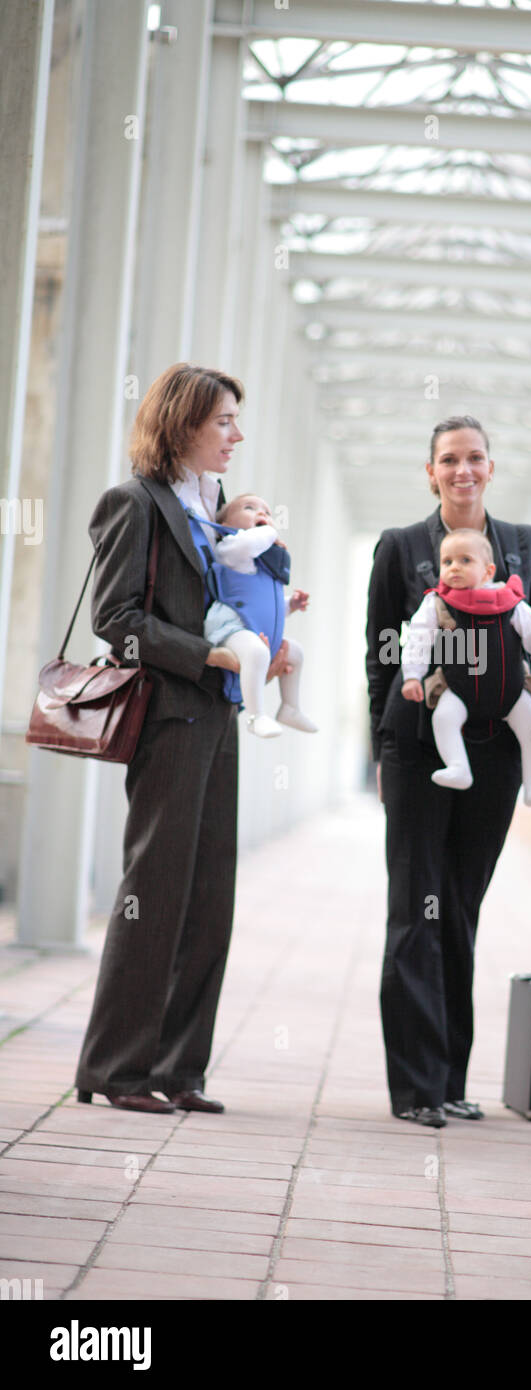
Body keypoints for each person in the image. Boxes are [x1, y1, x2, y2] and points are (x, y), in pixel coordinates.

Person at [74, 364, 289, 1115]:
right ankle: (117, 1068)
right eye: (224, 420)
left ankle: (176, 1067)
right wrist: (210, 655)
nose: (236, 434)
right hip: (170, 716)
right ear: (184, 422)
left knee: (208, 895)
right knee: (153, 892)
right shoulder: (135, 503)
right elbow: (118, 620)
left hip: (217, 716)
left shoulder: (217, 513)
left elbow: (228, 603)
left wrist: (269, 635)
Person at [366, 415, 531, 1128]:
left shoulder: (525, 546)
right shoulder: (400, 549)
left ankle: (449, 1078)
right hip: (419, 747)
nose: (463, 469)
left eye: (475, 457)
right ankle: (415, 1088)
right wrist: (380, 752)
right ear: (431, 471)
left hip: (501, 751)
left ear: (491, 465)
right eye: (449, 459)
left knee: (460, 908)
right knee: (416, 905)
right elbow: (380, 653)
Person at [401, 528, 531, 804]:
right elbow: (417, 639)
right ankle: (459, 768)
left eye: (465, 560)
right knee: (443, 718)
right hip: (459, 690)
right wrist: (412, 676)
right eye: (447, 562)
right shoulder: (437, 602)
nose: (454, 568)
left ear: (488, 571)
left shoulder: (510, 603)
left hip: (510, 692)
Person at [199, 491, 317, 738]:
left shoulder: (263, 564)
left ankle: (290, 707)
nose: (261, 513)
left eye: (266, 511)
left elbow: (263, 607)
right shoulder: (232, 548)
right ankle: (255, 716)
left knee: (295, 652)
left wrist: (290, 605)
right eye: (249, 508)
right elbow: (247, 544)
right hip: (229, 628)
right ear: (225, 526)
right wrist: (270, 532)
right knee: (255, 651)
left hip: (251, 626)